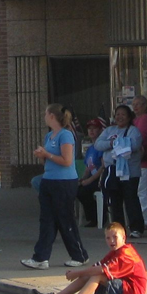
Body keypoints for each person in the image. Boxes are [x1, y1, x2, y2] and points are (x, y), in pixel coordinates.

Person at [22, 104, 88, 270]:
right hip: (49, 179)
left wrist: (47, 154)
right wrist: (41, 155)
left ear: (52, 116)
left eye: (46, 114)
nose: (44, 117)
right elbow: (47, 160)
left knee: (65, 219)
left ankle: (79, 254)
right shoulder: (49, 136)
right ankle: (41, 257)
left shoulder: (66, 135)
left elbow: (66, 161)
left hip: (64, 182)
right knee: (47, 219)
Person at [32, 222, 147, 294]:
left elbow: (100, 270)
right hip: (123, 288)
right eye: (108, 238)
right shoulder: (114, 252)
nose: (111, 241)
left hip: (133, 292)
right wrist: (80, 274)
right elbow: (96, 267)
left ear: (124, 238)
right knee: (91, 273)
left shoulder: (126, 255)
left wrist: (77, 273)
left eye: (115, 237)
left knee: (98, 275)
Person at [93, 105, 145, 238]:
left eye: (123, 114)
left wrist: (118, 144)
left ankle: (136, 228)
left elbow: (134, 146)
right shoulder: (109, 130)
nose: (119, 117)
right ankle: (118, 229)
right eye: (117, 114)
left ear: (129, 117)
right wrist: (112, 143)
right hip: (112, 170)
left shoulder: (134, 131)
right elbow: (98, 144)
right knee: (115, 200)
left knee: (130, 199)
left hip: (129, 172)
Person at [131, 95, 147, 230]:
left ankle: (145, 220)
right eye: (133, 104)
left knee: (143, 191)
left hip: (143, 160)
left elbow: (144, 136)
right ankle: (140, 218)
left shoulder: (145, 119)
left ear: (145, 106)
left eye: (138, 104)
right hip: (136, 161)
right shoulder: (135, 120)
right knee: (138, 191)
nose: (135, 107)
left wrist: (138, 150)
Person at [77, 118, 106, 227]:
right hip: (91, 178)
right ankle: (91, 216)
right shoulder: (90, 149)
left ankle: (98, 218)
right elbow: (88, 167)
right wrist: (83, 178)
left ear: (100, 130)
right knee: (78, 190)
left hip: (99, 179)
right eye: (89, 129)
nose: (91, 131)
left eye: (94, 128)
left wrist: (90, 180)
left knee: (85, 191)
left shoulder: (101, 147)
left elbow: (103, 166)